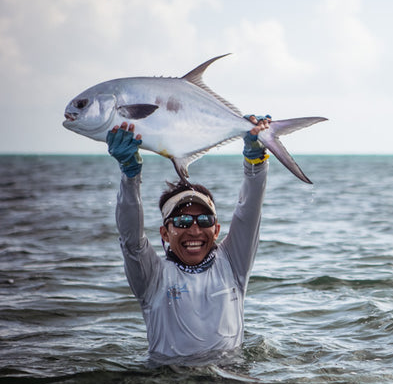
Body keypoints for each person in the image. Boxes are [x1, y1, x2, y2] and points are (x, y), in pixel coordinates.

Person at [107, 116, 271, 364]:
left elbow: (249, 211)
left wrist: (255, 162)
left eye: (203, 221)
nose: (194, 231)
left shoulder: (232, 264)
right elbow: (131, 240)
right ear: (164, 233)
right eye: (182, 222)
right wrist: (130, 176)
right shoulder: (152, 277)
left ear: (216, 230)